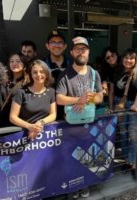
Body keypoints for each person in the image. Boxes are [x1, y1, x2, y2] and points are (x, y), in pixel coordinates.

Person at [56, 36, 103, 198]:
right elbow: (59, 98)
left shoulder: (94, 73)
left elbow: (100, 98)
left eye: (84, 49)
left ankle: (85, 184)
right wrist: (79, 100)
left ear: (88, 52)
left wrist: (87, 99)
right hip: (70, 124)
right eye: (77, 49)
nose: (81, 52)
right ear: (72, 52)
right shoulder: (64, 74)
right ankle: (73, 186)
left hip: (89, 123)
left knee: (88, 156)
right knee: (71, 156)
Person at [113, 48, 137, 180]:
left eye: (131, 58)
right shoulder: (118, 70)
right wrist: (113, 107)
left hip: (133, 104)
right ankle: (127, 161)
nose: (128, 60)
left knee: (133, 134)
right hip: (119, 104)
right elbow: (113, 89)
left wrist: (136, 104)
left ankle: (133, 163)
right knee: (122, 133)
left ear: (135, 60)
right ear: (123, 59)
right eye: (126, 58)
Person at [9, 59, 56, 139]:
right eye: (35, 72)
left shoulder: (51, 92)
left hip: (45, 137)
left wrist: (40, 122)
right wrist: (30, 126)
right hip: (24, 136)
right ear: (30, 74)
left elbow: (53, 114)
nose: (38, 75)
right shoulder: (21, 92)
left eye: (41, 71)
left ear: (46, 73)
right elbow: (12, 117)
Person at [0, 53, 29, 127]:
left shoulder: (27, 83)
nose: (14, 64)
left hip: (16, 123)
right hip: (0, 120)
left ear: (24, 64)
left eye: (18, 61)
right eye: (12, 61)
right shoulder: (3, 80)